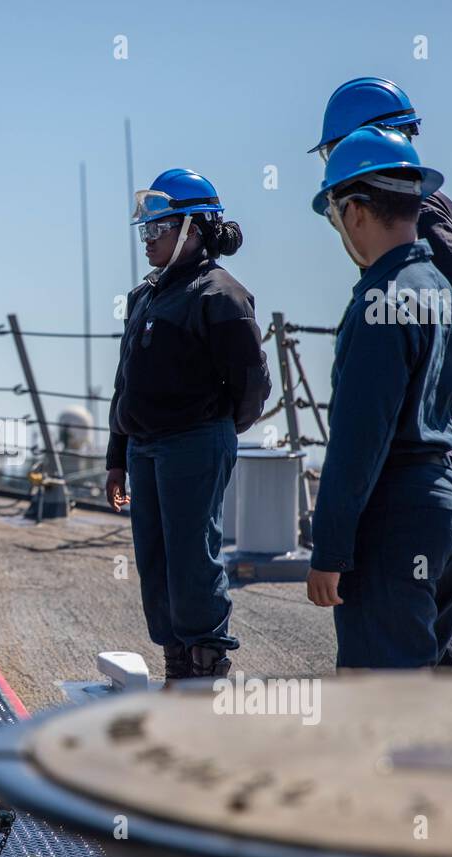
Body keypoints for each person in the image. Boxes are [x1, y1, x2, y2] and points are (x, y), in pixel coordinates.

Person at [311, 77, 452, 665]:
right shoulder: (441, 288)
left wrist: (330, 549)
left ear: (357, 209)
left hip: (399, 513)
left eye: (337, 213)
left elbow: (357, 440)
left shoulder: (380, 300)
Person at [105, 169, 271, 680]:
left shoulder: (220, 297)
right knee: (154, 560)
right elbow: (124, 382)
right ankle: (175, 657)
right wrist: (116, 457)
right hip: (144, 448)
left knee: (191, 556)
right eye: (145, 231)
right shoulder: (145, 296)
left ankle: (206, 657)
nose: (148, 241)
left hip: (193, 443)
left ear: (192, 229)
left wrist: (214, 432)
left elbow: (252, 386)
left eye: (157, 230)